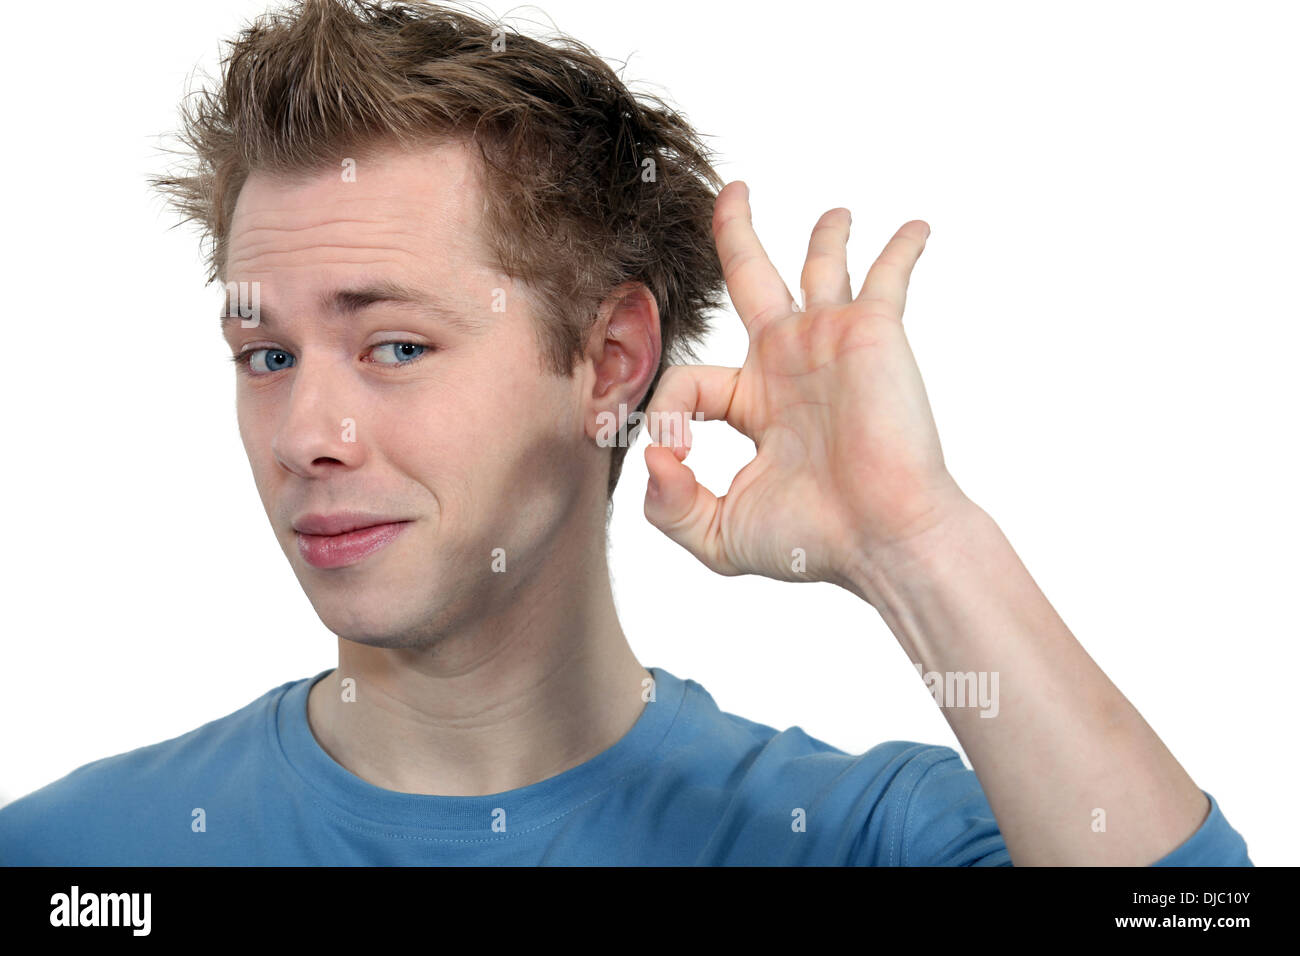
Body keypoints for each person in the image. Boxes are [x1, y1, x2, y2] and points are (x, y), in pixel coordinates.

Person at [0, 0, 1251, 866]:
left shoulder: (862, 834)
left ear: (609, 363)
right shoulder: (74, 856)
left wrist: (913, 538)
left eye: (394, 346)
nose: (305, 434)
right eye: (266, 354)